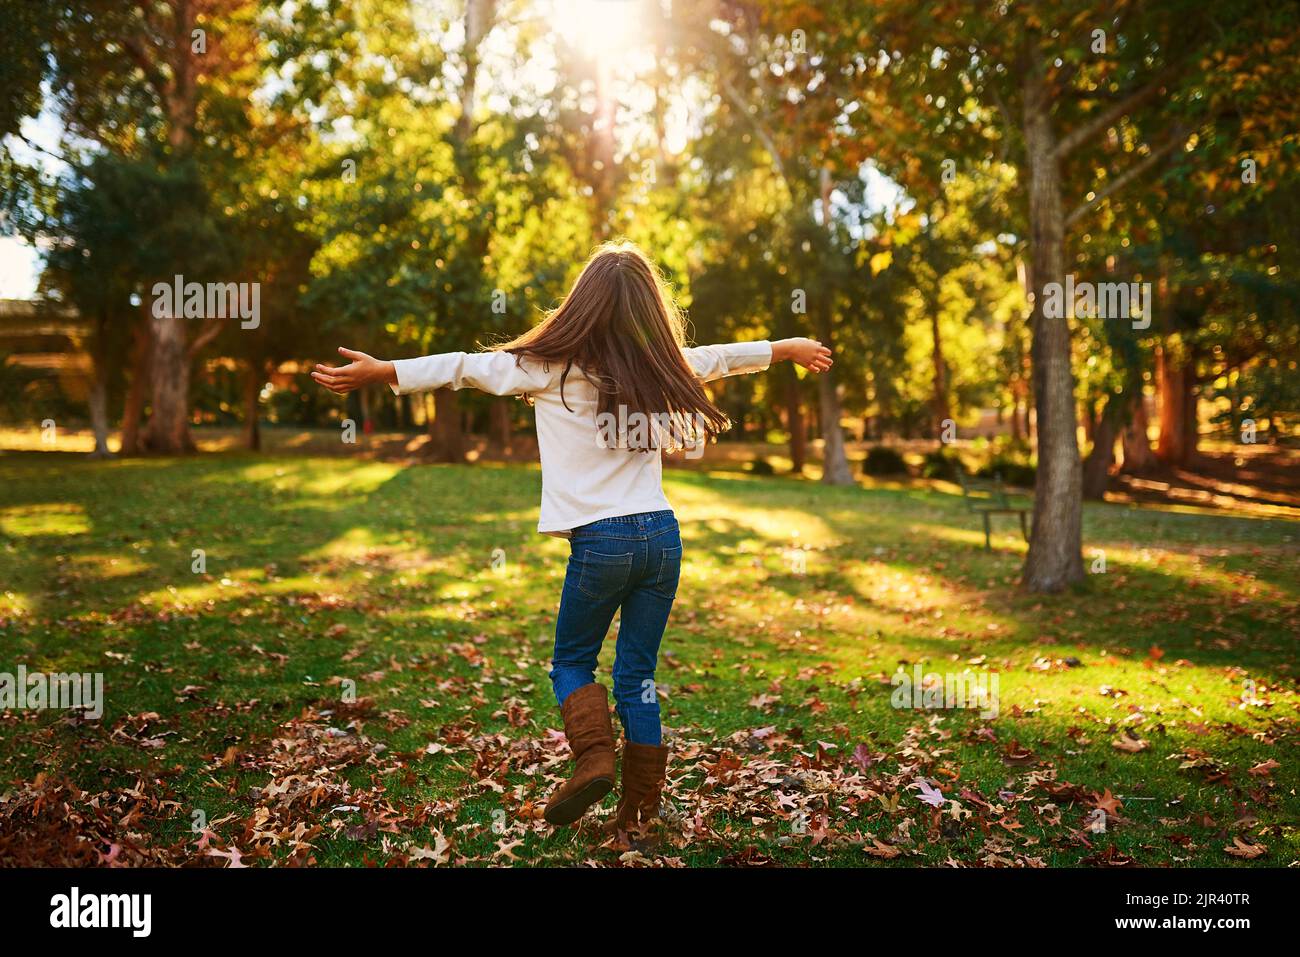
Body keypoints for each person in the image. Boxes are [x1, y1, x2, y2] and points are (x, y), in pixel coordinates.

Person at [312, 241, 833, 836]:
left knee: (570, 662)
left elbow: (463, 366)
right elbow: (715, 358)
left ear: (581, 304)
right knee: (637, 674)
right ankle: (639, 813)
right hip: (662, 536)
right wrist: (784, 349)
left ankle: (593, 760)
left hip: (601, 542)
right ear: (646, 308)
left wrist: (386, 372)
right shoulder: (659, 364)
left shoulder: (546, 366)